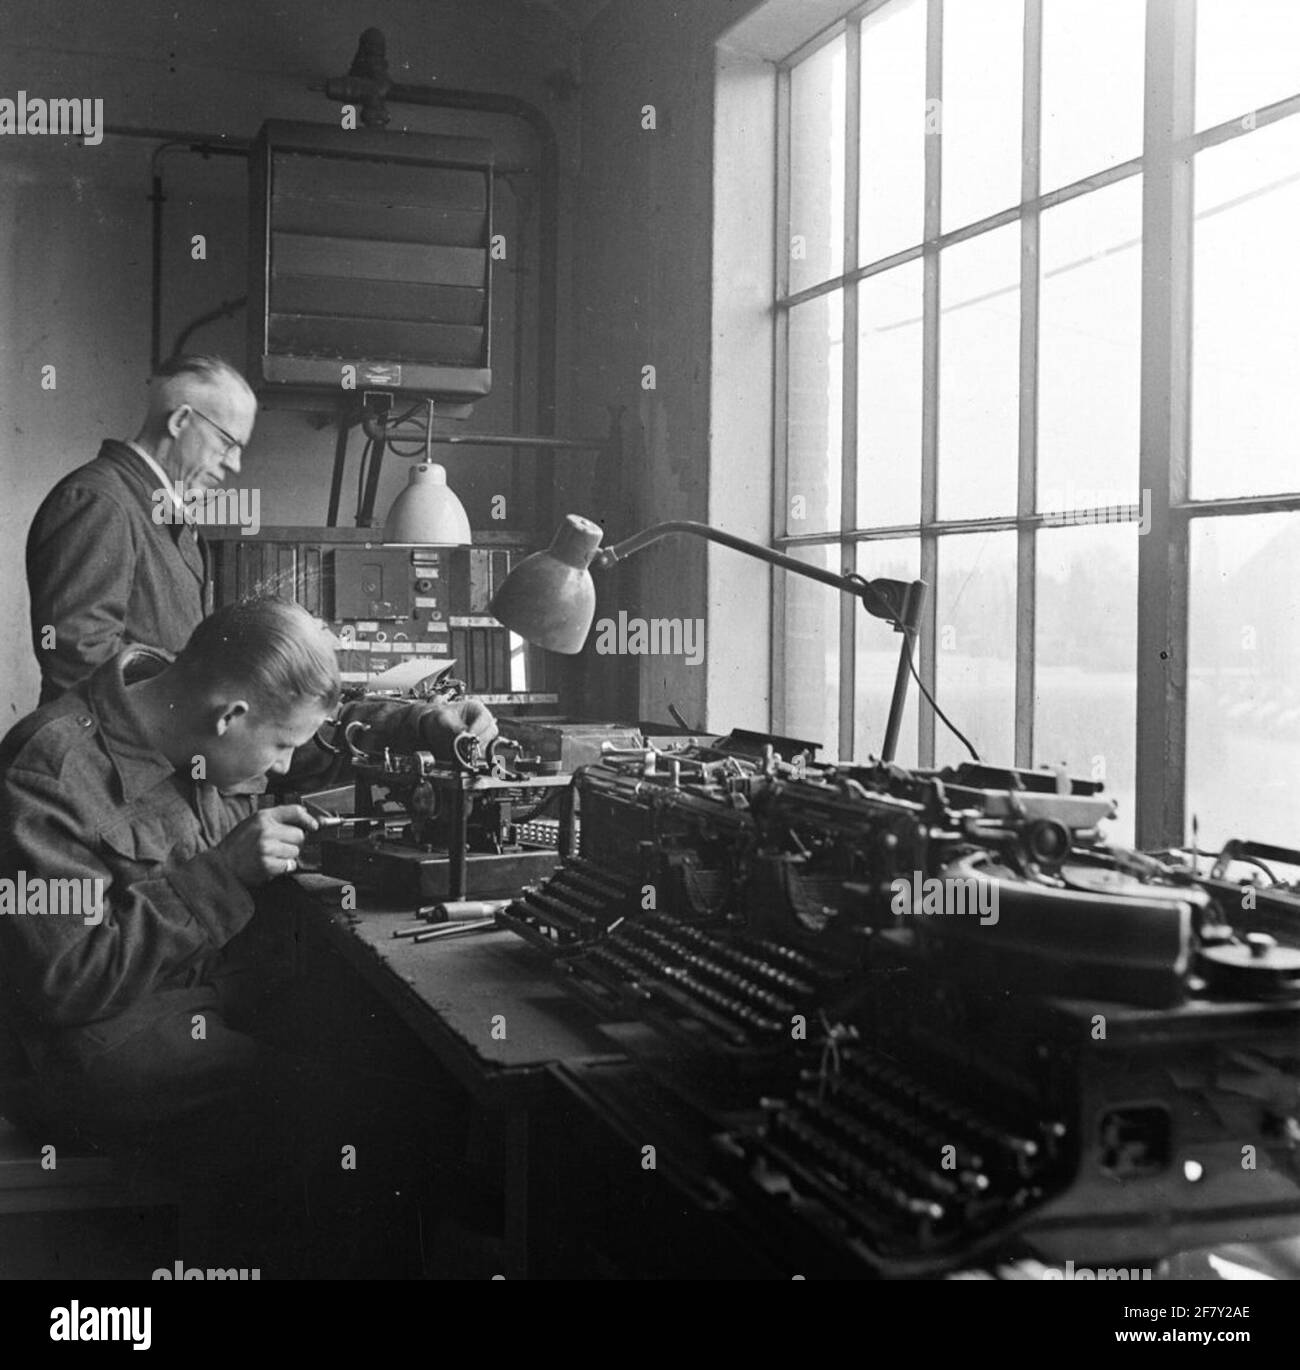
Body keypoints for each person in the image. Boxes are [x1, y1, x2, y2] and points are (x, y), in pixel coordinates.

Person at [0, 597, 496, 1275]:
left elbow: (323, 734)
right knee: (340, 1119)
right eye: (280, 747)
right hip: (92, 1048)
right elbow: (65, 981)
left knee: (411, 1058)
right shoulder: (50, 771)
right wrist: (220, 875)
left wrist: (419, 725)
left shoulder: (198, 712)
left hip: (211, 993)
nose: (289, 768)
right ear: (229, 716)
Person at [26, 353, 255, 706]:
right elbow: (77, 656)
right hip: (107, 756)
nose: (234, 464)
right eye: (228, 443)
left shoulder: (153, 507)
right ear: (180, 420)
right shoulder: (100, 501)